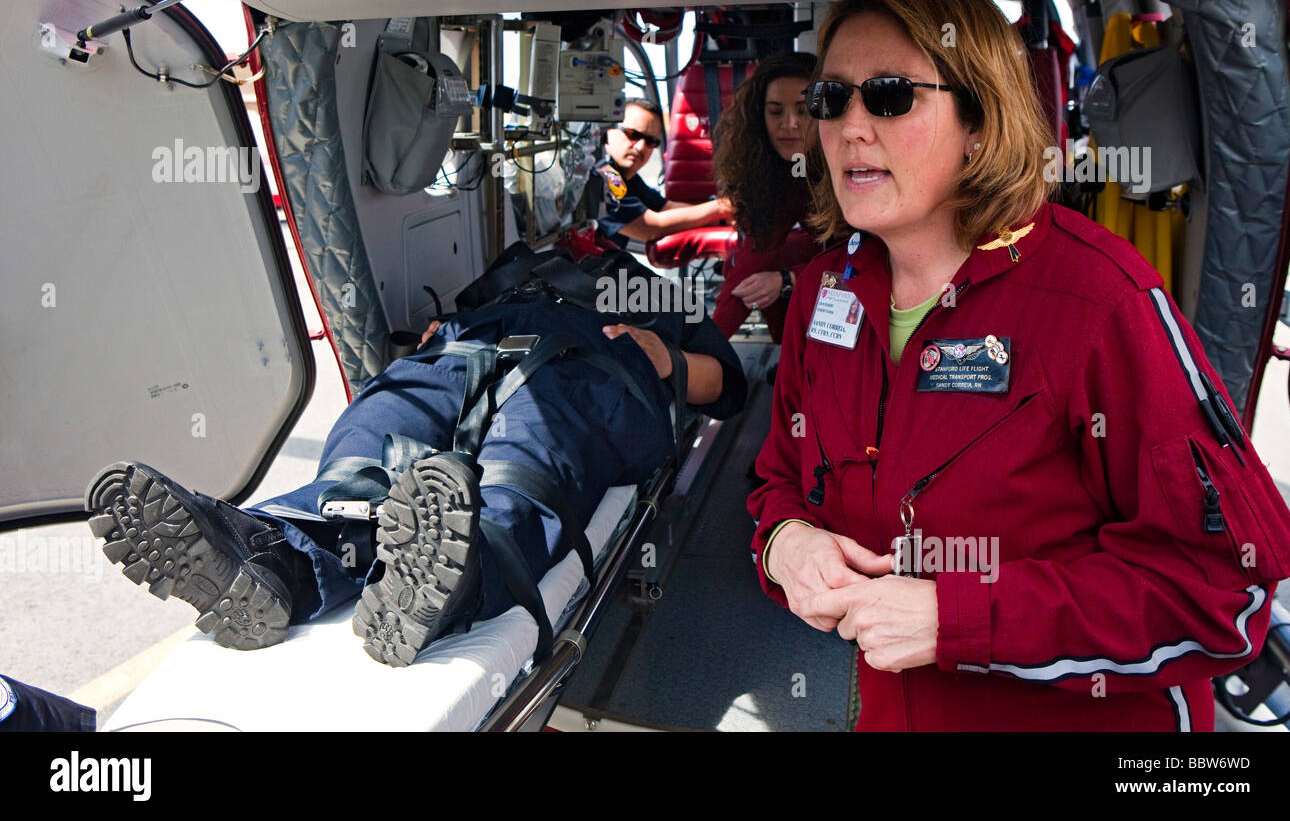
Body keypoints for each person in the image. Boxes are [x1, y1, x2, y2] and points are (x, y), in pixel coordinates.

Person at [748, 0, 1290, 731]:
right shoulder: (822, 294)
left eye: (888, 96)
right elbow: (778, 479)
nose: (849, 127)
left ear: (979, 122)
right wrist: (786, 543)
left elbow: (1222, 592)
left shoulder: (1101, 302)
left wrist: (958, 619)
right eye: (829, 98)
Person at [86, 247, 746, 669]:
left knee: (524, 462)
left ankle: (459, 573)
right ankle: (279, 555)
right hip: (462, 354)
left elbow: (728, 384)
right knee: (370, 448)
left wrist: (667, 359)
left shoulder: (643, 286)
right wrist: (446, 334)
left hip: (587, 369)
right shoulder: (508, 272)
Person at [710, 52, 823, 341]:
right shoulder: (774, 176)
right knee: (754, 268)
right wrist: (707, 344)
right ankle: (790, 356)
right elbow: (756, 257)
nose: (789, 124)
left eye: (803, 110)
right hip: (826, 272)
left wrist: (790, 279)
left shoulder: (852, 169)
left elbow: (866, 261)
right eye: (775, 111)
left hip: (878, 285)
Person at [585, 98, 731, 248]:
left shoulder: (628, 179)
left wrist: (723, 217)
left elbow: (666, 207)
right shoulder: (605, 178)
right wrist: (721, 208)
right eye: (632, 135)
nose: (641, 147)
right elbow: (651, 228)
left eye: (651, 141)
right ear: (608, 133)